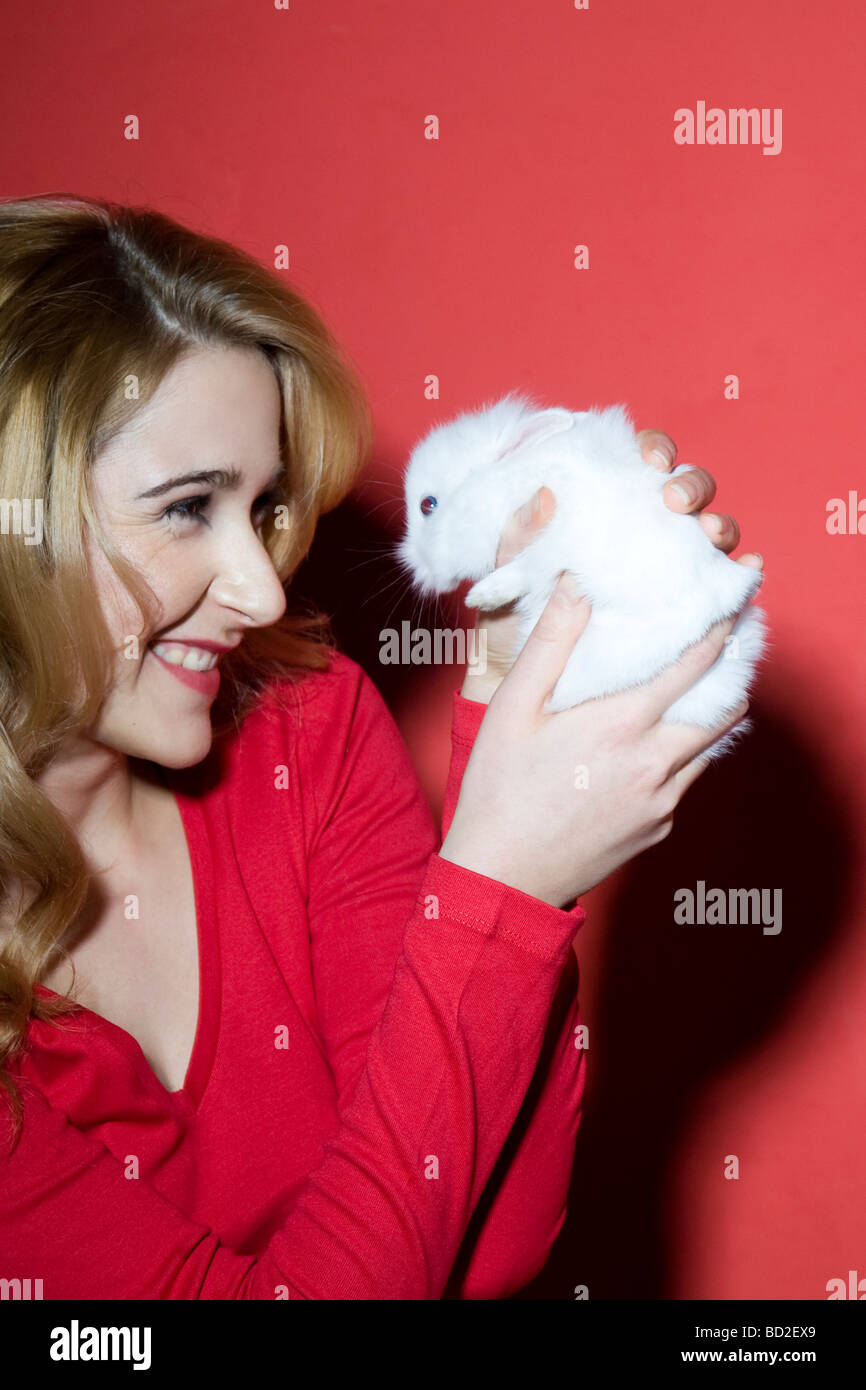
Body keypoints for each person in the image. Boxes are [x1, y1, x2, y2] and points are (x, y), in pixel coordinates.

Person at [0, 193, 763, 1300]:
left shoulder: (302, 730)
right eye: (182, 510)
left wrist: (506, 717)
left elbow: (487, 1246)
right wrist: (495, 886)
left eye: (261, 509)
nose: (262, 589)